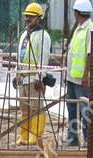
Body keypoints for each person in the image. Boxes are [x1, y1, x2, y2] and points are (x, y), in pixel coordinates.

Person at [14, 3, 53, 146]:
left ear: (38, 18)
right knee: (24, 109)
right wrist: (16, 75)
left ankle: (35, 135)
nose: (27, 18)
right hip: (23, 79)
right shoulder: (24, 34)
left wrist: (40, 78)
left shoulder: (43, 36)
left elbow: (43, 58)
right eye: (26, 16)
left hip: (34, 79)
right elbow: (20, 57)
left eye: (30, 16)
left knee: (36, 108)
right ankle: (24, 135)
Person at [64, 0, 93, 147]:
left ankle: (88, 140)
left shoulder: (90, 29)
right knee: (71, 109)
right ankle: (73, 138)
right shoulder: (78, 28)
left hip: (81, 80)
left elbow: (90, 54)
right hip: (71, 77)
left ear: (77, 13)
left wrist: (85, 75)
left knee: (84, 111)